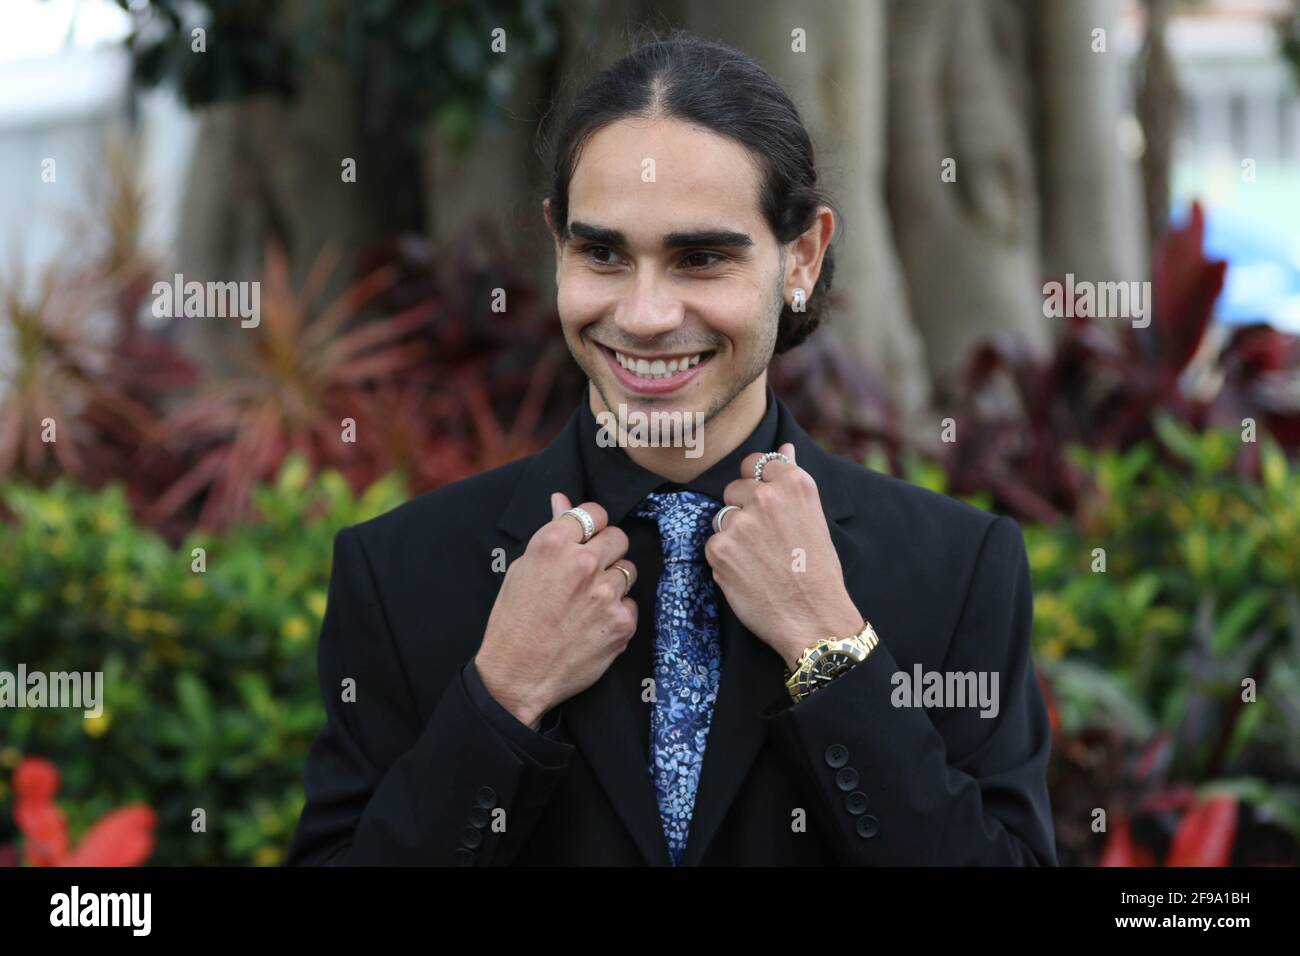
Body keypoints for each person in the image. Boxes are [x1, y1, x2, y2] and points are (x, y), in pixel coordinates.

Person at [286, 31, 1057, 866]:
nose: (646, 315)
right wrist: (502, 695)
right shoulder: (398, 572)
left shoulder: (960, 568)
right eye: (604, 253)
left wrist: (828, 647)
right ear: (557, 247)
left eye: (699, 259)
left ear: (801, 256)